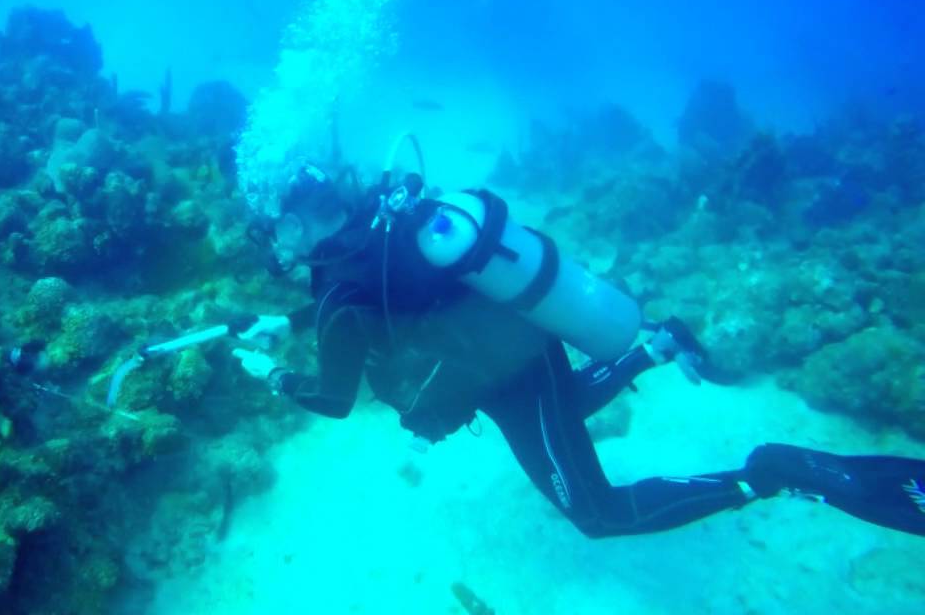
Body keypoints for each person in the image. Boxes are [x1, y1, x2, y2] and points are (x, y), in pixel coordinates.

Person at [232, 164, 925, 538]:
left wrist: (273, 375)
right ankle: (654, 347)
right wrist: (287, 320)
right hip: (508, 358)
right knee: (558, 414)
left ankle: (765, 475)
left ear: (295, 222)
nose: (276, 250)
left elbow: (332, 400)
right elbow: (383, 304)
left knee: (598, 516)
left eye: (275, 234)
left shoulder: (338, 293)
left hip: (507, 377)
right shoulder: (376, 230)